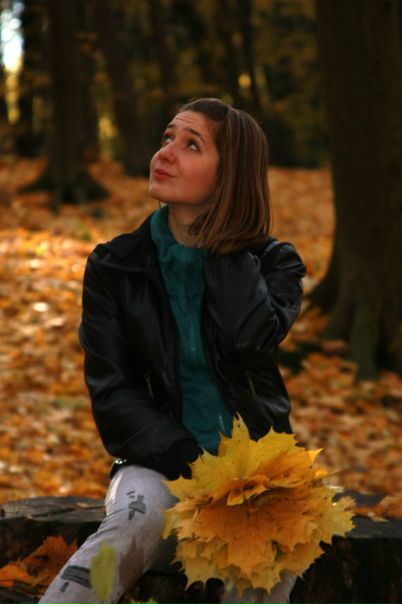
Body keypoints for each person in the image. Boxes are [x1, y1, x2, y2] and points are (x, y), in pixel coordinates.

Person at [39, 98, 306, 604]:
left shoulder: (276, 264)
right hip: (156, 462)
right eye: (167, 138)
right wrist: (189, 462)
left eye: (191, 145)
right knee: (129, 528)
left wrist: (227, 243)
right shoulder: (114, 266)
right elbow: (112, 392)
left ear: (230, 175)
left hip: (254, 475)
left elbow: (246, 338)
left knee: (264, 564)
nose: (165, 153)